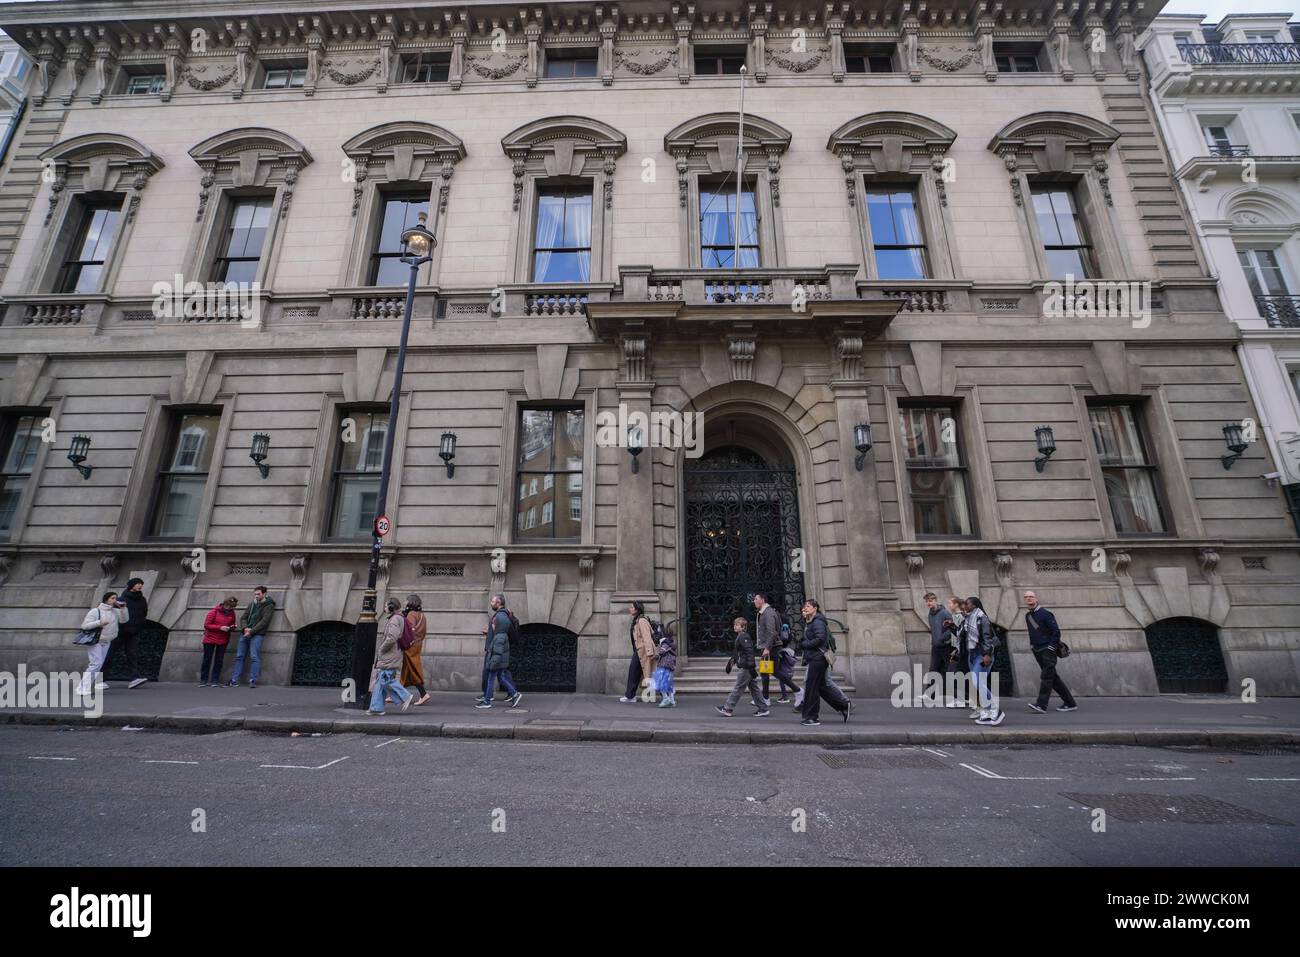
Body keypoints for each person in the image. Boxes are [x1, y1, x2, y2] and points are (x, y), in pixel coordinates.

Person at [798, 598, 851, 726]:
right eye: (805, 607)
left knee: (812, 688)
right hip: (816, 658)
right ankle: (843, 705)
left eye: (808, 607)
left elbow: (820, 638)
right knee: (820, 687)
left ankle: (812, 717)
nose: (806, 609)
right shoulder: (812, 621)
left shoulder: (818, 622)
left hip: (818, 659)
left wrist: (805, 644)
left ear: (815, 608)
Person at [1024, 591, 1078, 714]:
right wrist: (1032, 645)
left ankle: (1041, 705)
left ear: (1036, 598)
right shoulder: (1028, 616)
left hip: (1048, 650)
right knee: (1053, 678)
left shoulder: (1046, 614)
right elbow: (1032, 633)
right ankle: (1070, 703)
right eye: (1026, 597)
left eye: (1031, 596)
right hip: (1037, 650)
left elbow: (1056, 632)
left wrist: (1051, 647)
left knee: (1046, 677)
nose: (1029, 599)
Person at [963, 597, 1004, 726]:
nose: (965, 605)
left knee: (978, 682)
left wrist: (987, 655)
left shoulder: (982, 618)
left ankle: (995, 710)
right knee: (979, 684)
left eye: (967, 603)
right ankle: (986, 712)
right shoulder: (968, 618)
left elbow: (987, 638)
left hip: (982, 654)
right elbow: (964, 636)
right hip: (973, 655)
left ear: (974, 605)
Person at [716, 617, 769, 717]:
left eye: (737, 625)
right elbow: (739, 652)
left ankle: (728, 708)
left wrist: (750, 665)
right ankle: (763, 709)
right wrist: (732, 662)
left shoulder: (743, 637)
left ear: (743, 627)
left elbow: (749, 651)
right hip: (747, 665)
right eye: (734, 624)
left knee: (738, 687)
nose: (734, 626)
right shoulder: (741, 636)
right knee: (754, 688)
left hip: (746, 667)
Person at [78, 591, 126, 696]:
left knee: (99, 665)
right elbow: (84, 626)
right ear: (106, 599)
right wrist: (99, 623)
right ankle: (82, 688)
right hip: (96, 640)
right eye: (112, 598)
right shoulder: (95, 611)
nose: (114, 600)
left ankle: (86, 687)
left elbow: (124, 620)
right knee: (96, 663)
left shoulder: (114, 611)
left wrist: (123, 609)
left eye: (115, 598)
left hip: (107, 640)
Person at [478, 594, 521, 710]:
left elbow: (498, 650)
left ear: (499, 603)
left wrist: (493, 661)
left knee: (492, 676)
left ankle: (487, 700)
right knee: (501, 677)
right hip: (497, 653)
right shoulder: (500, 625)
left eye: (492, 602)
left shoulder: (500, 628)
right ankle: (514, 693)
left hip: (496, 655)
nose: (491, 603)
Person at [227, 585, 275, 689]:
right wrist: (245, 629)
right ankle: (234, 680)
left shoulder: (269, 605)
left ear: (264, 594)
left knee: (254, 657)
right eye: (255, 594)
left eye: (258, 594)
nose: (256, 596)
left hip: (257, 634)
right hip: (245, 633)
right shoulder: (252, 604)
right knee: (239, 656)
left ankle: (252, 680)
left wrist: (251, 631)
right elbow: (243, 617)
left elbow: (264, 621)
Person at [619, 600, 657, 704]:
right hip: (639, 651)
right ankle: (632, 695)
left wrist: (649, 652)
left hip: (643, 651)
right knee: (639, 673)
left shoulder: (641, 621)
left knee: (635, 672)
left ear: (637, 609)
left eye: (632, 607)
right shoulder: (637, 620)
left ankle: (630, 696)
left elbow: (647, 637)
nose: (630, 609)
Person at [117, 577, 149, 689]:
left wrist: (140, 625)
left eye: (141, 584)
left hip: (134, 631)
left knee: (133, 655)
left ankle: (134, 678)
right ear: (131, 585)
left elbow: (144, 613)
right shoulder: (122, 599)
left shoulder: (142, 599)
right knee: (110, 654)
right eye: (137, 584)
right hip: (120, 631)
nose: (140, 586)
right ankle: (100, 679)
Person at [200, 597, 237, 687]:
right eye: (229, 606)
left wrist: (232, 627)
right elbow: (207, 625)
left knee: (219, 661)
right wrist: (220, 627)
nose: (230, 608)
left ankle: (215, 680)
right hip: (210, 639)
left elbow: (232, 623)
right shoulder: (214, 611)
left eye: (232, 607)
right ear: (225, 604)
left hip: (223, 639)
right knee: (207, 660)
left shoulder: (232, 613)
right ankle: (203, 680)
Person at [925, 591, 954, 703]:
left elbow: (952, 629)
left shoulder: (945, 613)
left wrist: (942, 638)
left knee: (951, 671)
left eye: (931, 601)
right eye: (927, 601)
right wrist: (935, 641)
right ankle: (929, 695)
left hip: (946, 646)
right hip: (936, 647)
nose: (929, 603)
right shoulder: (930, 615)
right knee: (933, 670)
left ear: (936, 600)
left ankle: (959, 696)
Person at [403, 594, 430, 706]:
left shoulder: (411, 614)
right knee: (407, 669)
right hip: (418, 644)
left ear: (410, 603)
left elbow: (410, 630)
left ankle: (423, 694)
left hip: (411, 645)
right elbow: (423, 633)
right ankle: (397, 694)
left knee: (413, 668)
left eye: (406, 601)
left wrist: (406, 641)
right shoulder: (422, 615)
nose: (405, 603)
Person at [753, 592, 780, 705]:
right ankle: (765, 698)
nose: (754, 601)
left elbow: (772, 632)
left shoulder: (768, 613)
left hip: (770, 647)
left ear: (762, 600)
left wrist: (767, 648)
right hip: (767, 646)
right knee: (766, 672)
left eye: (755, 599)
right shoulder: (764, 612)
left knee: (775, 672)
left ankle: (798, 691)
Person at [944, 596, 969, 709]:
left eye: (950, 603)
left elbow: (960, 634)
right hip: (957, 649)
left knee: (954, 673)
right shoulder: (955, 616)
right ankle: (964, 698)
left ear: (956, 605)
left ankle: (962, 699)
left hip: (960, 650)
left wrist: (956, 650)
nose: (949, 605)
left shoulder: (960, 617)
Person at [653, 625, 677, 708]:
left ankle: (666, 699)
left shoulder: (665, 643)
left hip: (664, 665)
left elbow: (662, 652)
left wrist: (656, 655)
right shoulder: (671, 642)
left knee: (661, 683)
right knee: (668, 684)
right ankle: (672, 700)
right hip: (670, 666)